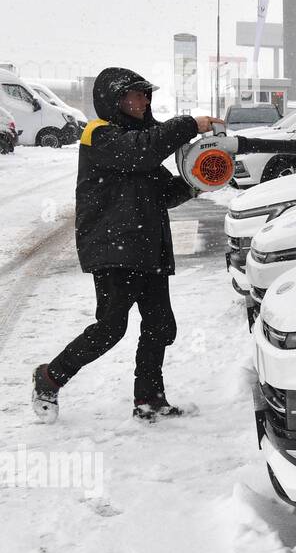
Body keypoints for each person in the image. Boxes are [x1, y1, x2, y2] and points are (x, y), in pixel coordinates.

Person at [32, 67, 223, 423]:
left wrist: (204, 177)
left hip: (149, 248)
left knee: (160, 326)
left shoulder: (140, 141)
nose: (144, 100)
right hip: (113, 248)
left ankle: (149, 399)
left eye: (146, 94)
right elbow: (141, 154)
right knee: (110, 327)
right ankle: (50, 376)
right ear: (113, 99)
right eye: (136, 93)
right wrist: (189, 124)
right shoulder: (100, 135)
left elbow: (165, 191)